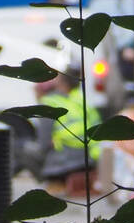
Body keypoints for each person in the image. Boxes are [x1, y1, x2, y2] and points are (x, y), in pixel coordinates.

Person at [39, 66, 102, 199]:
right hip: (87, 160)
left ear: (60, 81)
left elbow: (43, 141)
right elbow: (97, 128)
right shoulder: (82, 101)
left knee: (25, 148)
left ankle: (54, 183)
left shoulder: (50, 102)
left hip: (61, 162)